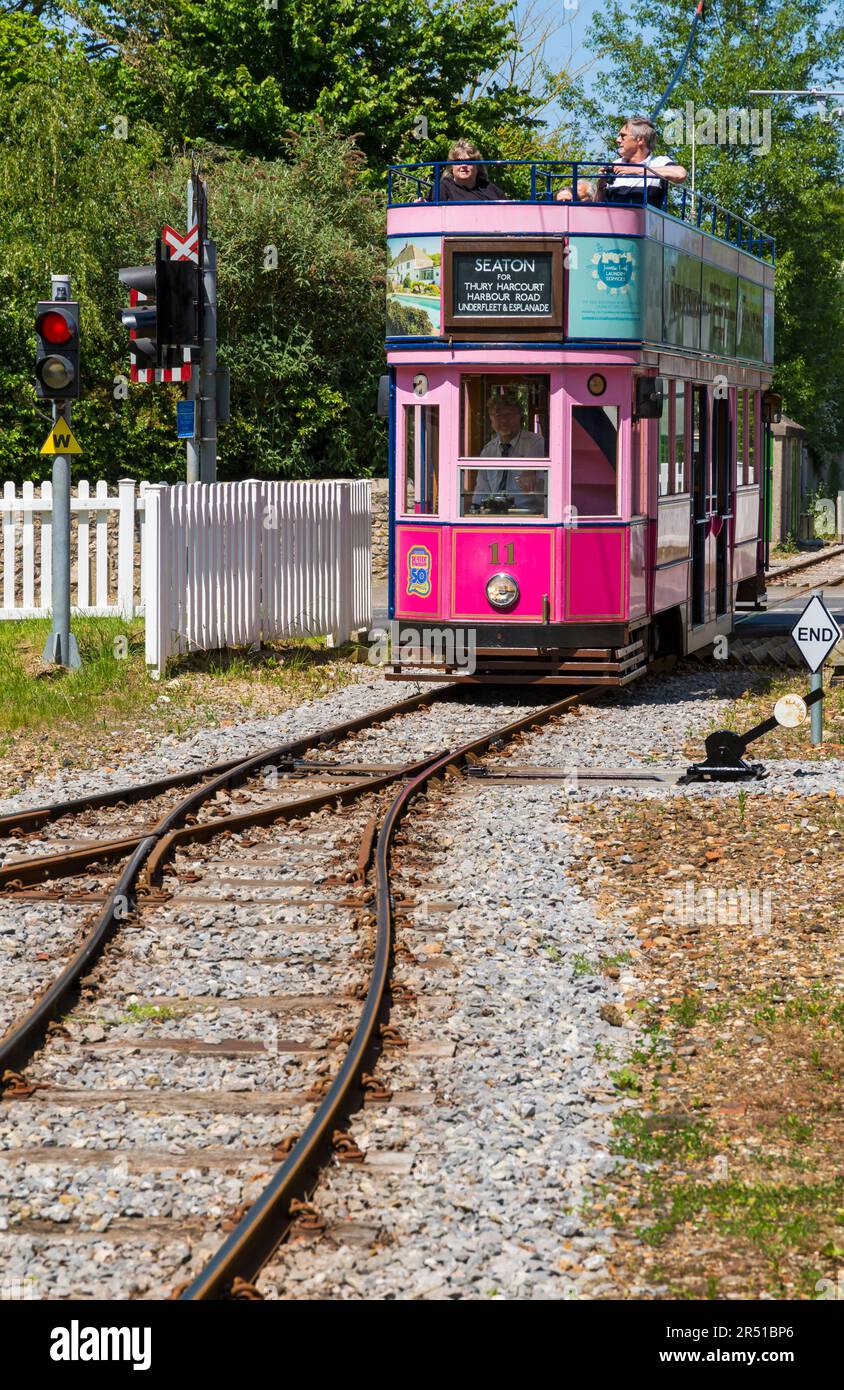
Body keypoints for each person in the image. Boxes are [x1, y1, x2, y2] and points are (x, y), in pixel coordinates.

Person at [555, 117, 686, 206]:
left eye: (623, 136)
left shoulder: (658, 162)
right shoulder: (614, 165)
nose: (618, 140)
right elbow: (598, 207)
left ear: (640, 140)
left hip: (646, 230)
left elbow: (680, 174)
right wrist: (601, 185)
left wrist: (639, 170)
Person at [470, 396, 546, 512]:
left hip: (529, 514)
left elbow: (545, 488)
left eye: (509, 414)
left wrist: (532, 475)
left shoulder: (535, 443)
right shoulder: (488, 451)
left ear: (520, 416)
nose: (504, 420)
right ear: (491, 419)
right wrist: (474, 509)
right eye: (498, 415)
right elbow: (481, 491)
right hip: (494, 513)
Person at [425, 139, 509, 203]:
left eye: (469, 161)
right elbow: (428, 211)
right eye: (458, 162)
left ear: (477, 165)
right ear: (451, 167)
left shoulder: (491, 190)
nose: (464, 165)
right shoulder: (441, 189)